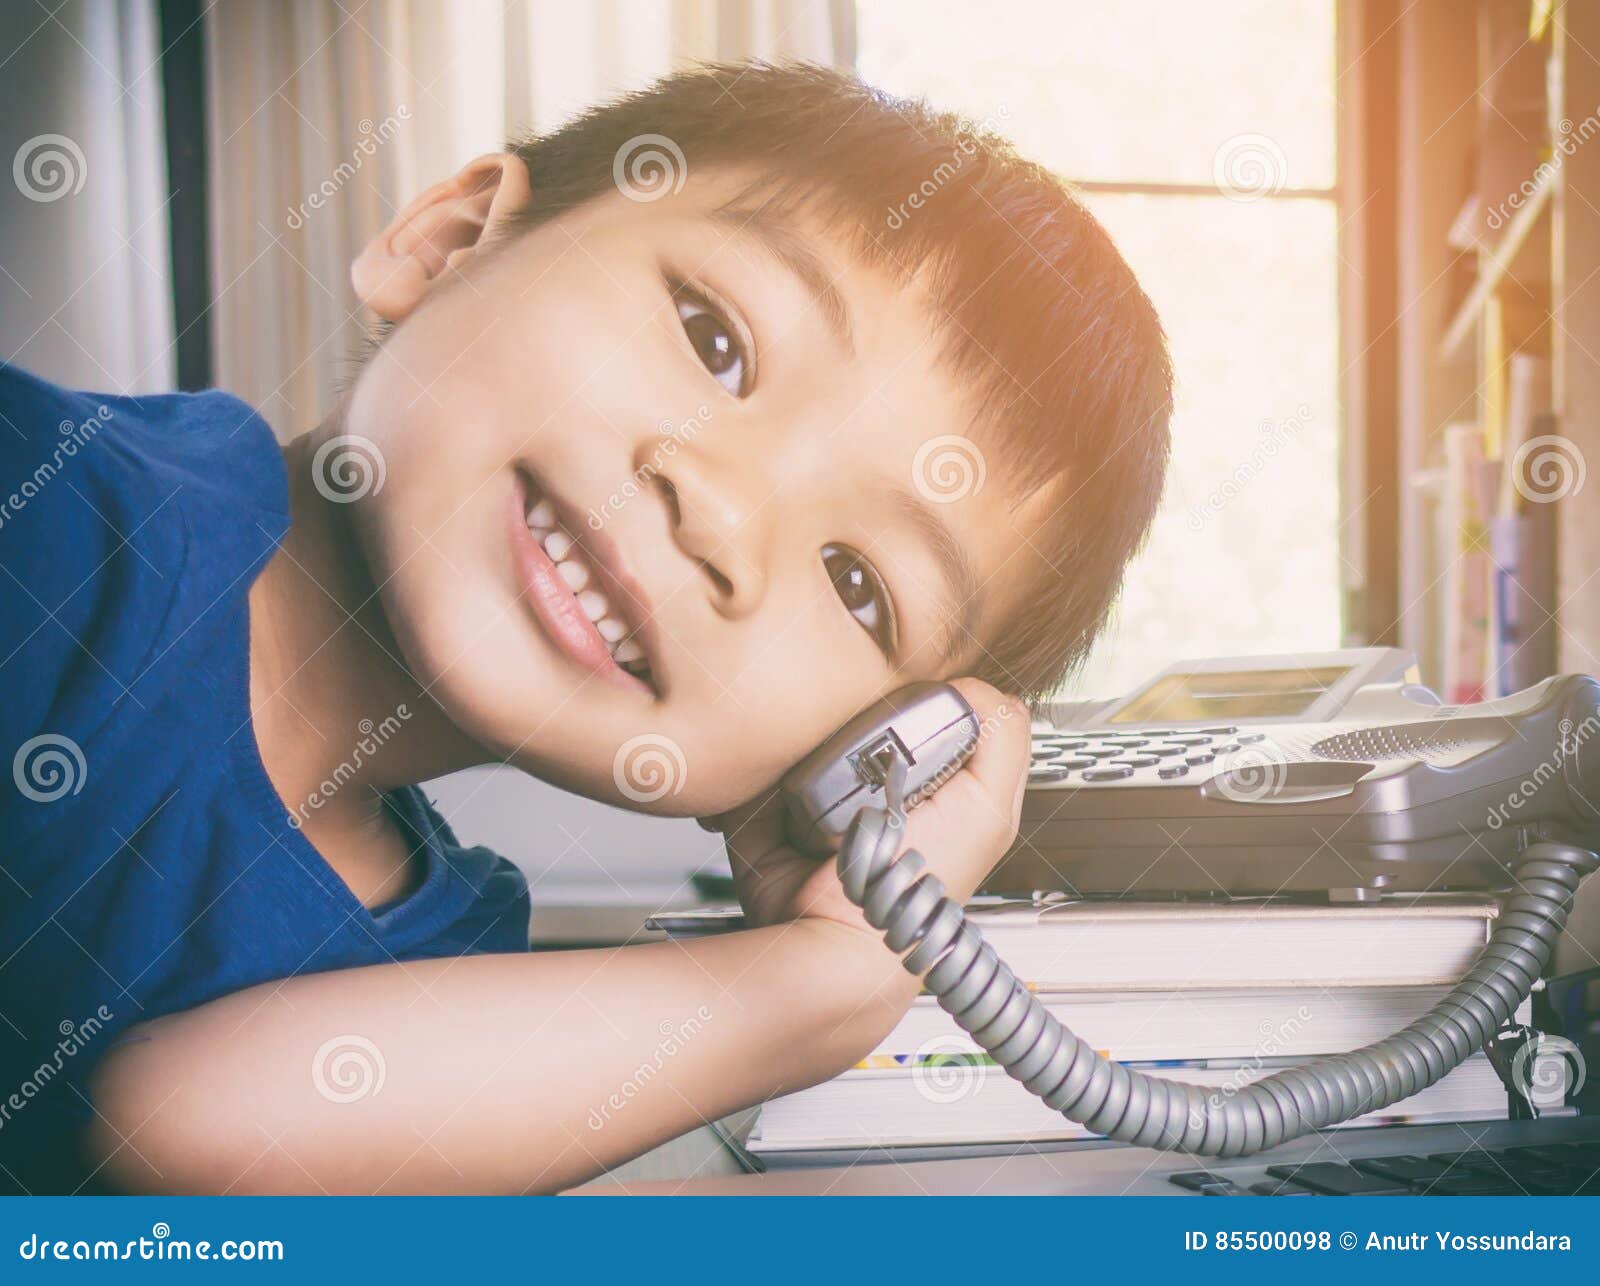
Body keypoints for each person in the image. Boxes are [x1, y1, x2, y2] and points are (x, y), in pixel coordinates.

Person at [0, 62, 1171, 1193]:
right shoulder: (48, 510)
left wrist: (822, 976)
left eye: (855, 581)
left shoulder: (452, 955)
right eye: (716, 339)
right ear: (454, 242)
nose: (721, 511)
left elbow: (190, 1134)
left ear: (862, 741)